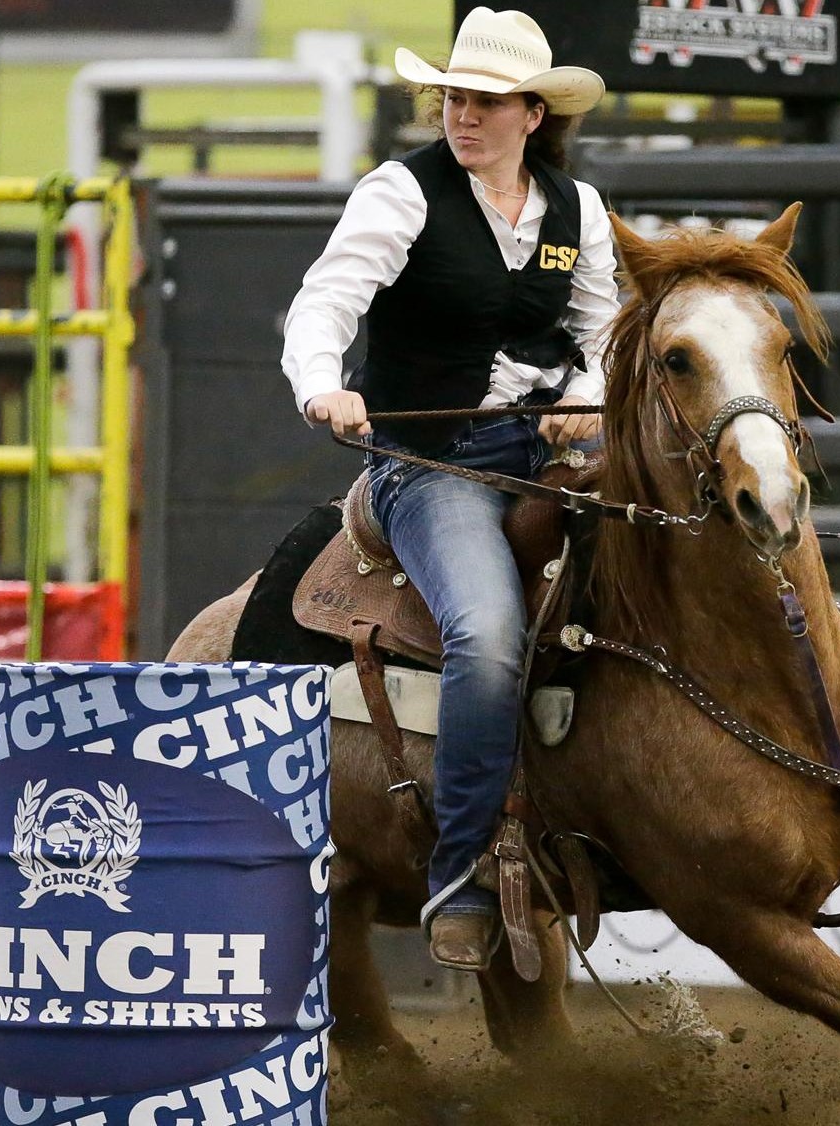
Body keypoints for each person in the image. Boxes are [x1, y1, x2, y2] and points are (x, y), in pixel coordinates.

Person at [279, 7, 618, 972]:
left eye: (482, 101)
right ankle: (463, 871)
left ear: (532, 114)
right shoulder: (401, 193)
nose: (461, 115)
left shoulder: (578, 212)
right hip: (432, 464)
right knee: (488, 632)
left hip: (556, 454)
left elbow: (606, 337)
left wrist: (587, 398)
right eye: (451, 98)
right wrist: (323, 385)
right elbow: (324, 303)